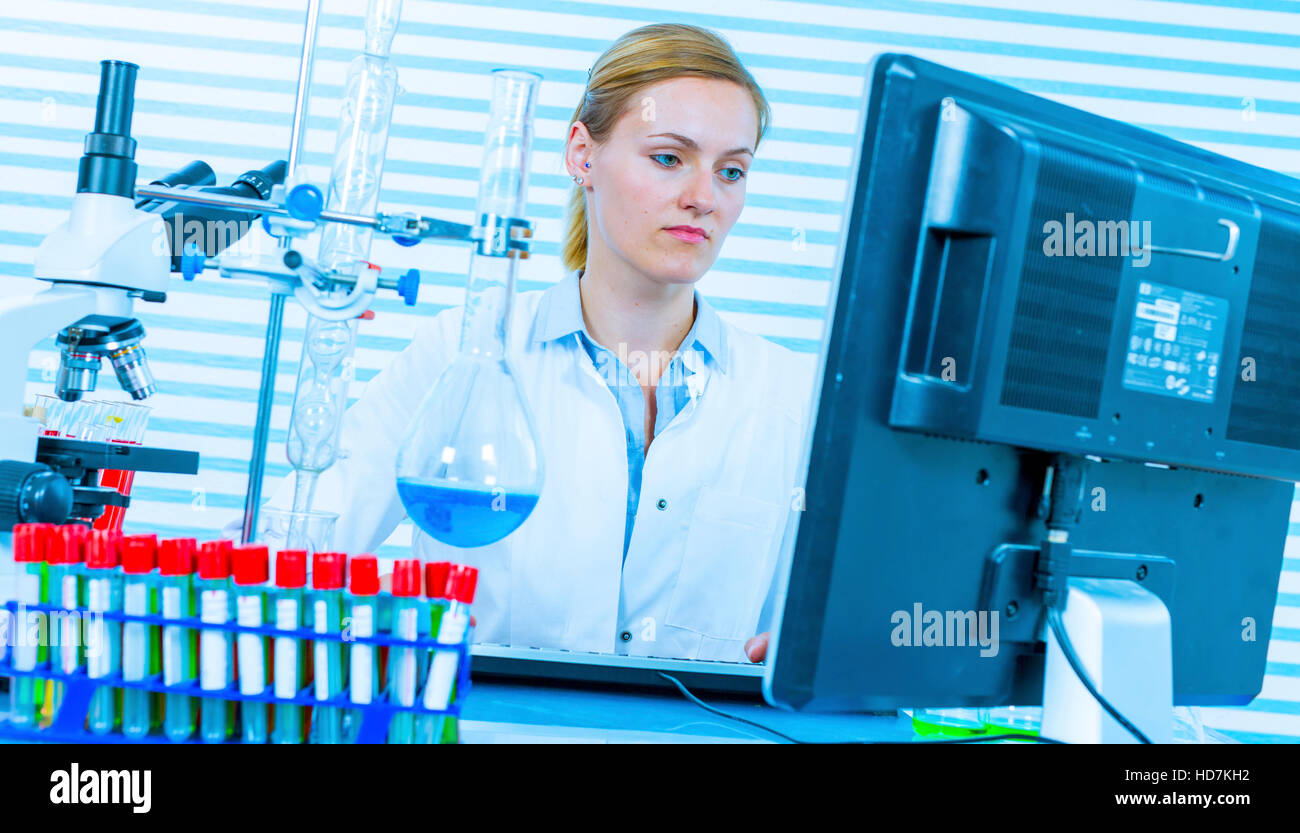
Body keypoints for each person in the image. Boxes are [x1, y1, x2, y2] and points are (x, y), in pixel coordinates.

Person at [263, 23, 810, 664]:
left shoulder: (794, 397)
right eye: (668, 158)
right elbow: (291, 550)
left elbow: (846, 623)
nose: (703, 198)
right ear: (583, 154)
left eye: (731, 171)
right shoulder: (462, 355)